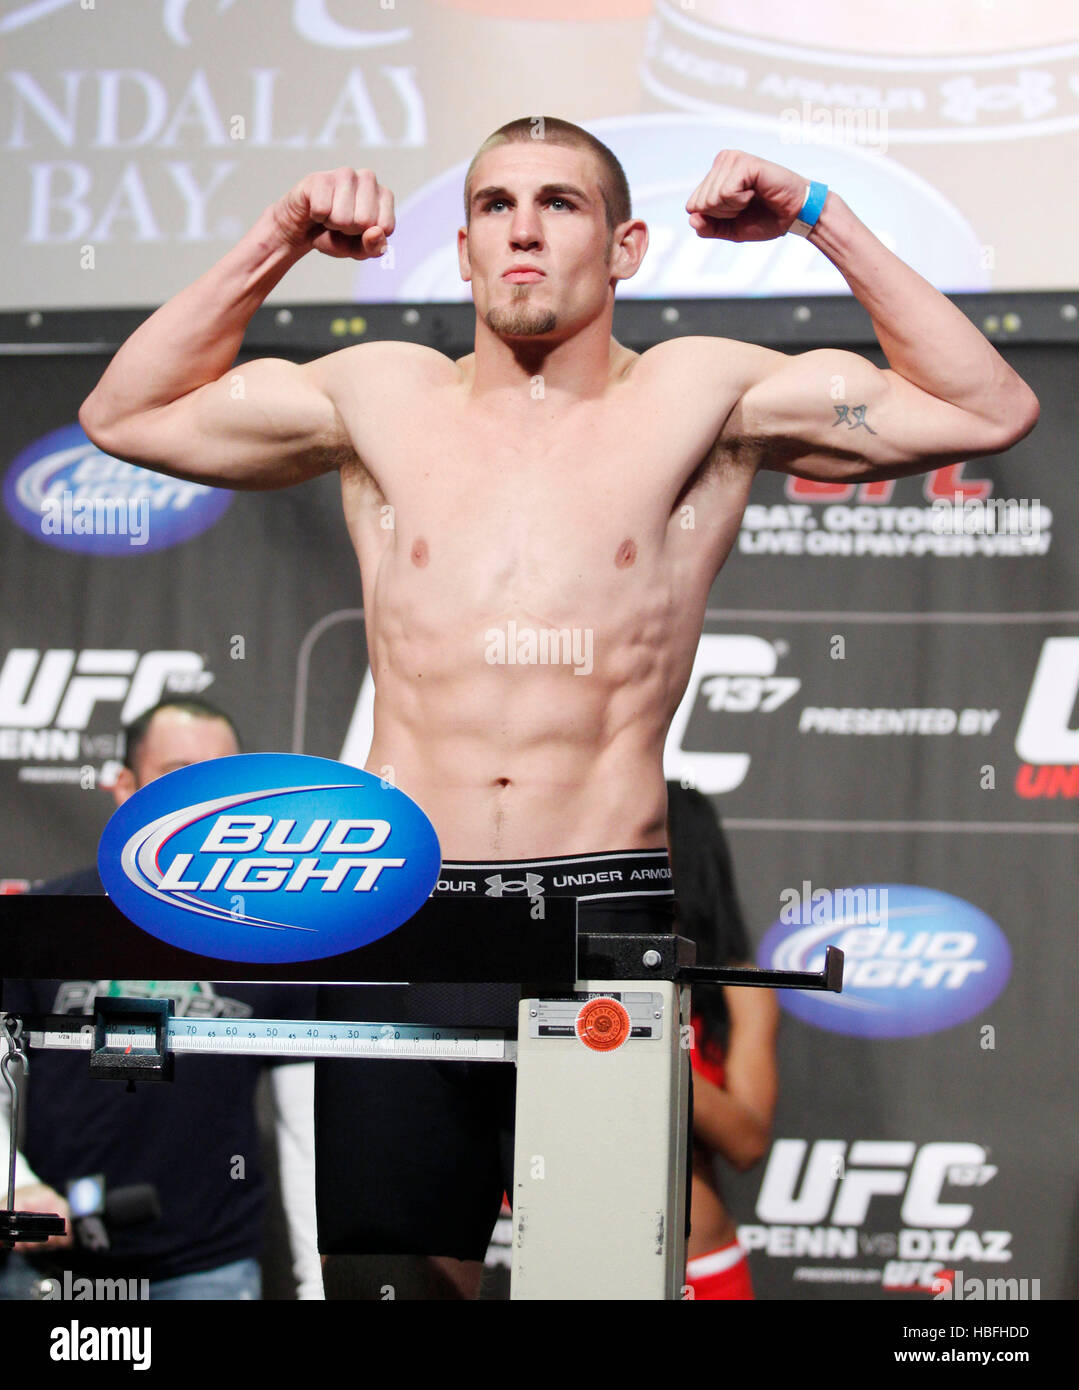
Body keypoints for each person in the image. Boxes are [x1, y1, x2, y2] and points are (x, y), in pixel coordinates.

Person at [75, 117, 1039, 1297]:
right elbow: (125, 415)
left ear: (626, 244)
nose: (522, 226)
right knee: (392, 1293)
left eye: (559, 203)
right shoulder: (376, 396)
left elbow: (982, 406)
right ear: (465, 250)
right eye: (492, 204)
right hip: (397, 917)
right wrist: (277, 236)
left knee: (595, 1289)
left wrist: (815, 214)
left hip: (596, 925)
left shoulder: (706, 396)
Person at [0, 698, 322, 1301]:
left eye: (221, 779)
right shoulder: (39, 923)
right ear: (125, 787)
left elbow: (304, 1124)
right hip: (47, 1270)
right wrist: (11, 1186)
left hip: (208, 1271)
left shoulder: (277, 938)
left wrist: (315, 1283)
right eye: (178, 776)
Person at [665, 781, 778, 1300]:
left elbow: (747, 1143)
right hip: (572, 1262)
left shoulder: (740, 986)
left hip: (700, 1271)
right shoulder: (570, 976)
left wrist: (644, 1050)